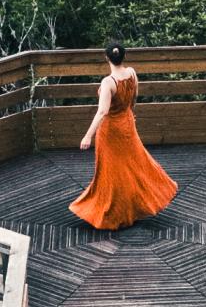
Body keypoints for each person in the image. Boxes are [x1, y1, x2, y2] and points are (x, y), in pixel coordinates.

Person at [69, 42, 178, 229]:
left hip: (111, 131)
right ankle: (132, 207)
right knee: (133, 165)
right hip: (127, 124)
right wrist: (130, 112)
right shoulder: (132, 73)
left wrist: (87, 136)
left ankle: (116, 213)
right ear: (123, 57)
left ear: (107, 58)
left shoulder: (108, 82)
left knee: (111, 172)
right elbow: (134, 97)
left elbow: (102, 112)